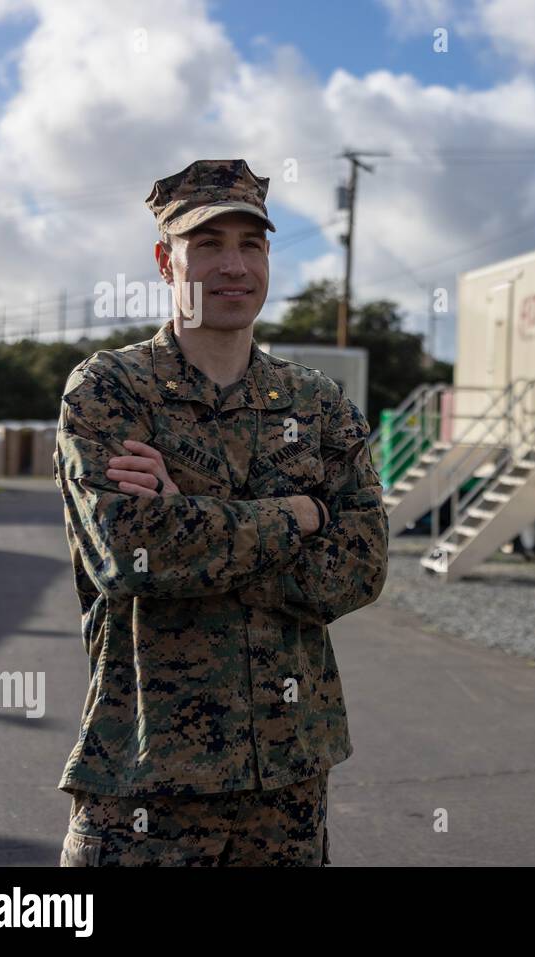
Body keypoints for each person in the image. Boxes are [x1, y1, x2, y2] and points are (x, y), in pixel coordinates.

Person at [53, 159, 388, 866]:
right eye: (207, 243)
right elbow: (132, 553)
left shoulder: (318, 404)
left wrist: (196, 518)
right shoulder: (111, 390)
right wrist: (296, 516)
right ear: (164, 261)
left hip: (288, 788)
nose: (234, 264)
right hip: (144, 785)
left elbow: (358, 569)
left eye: (252, 243)